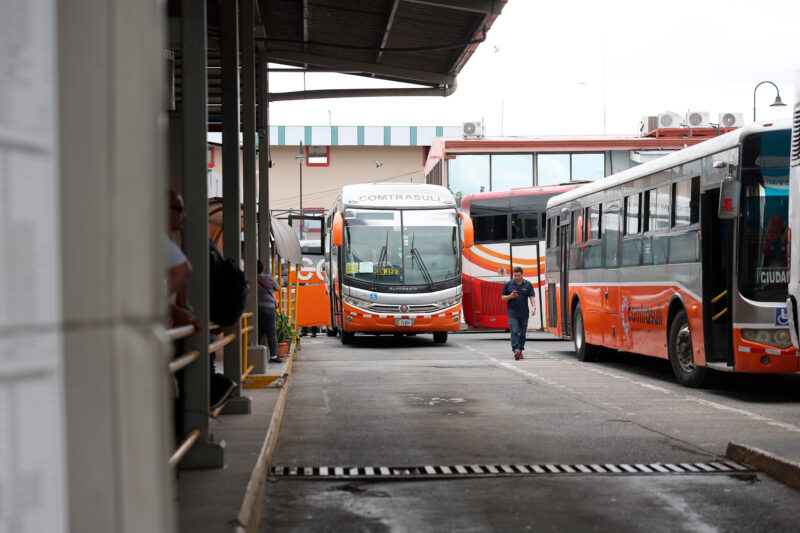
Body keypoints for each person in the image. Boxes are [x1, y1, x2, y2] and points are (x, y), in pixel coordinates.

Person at [501, 266, 536, 360]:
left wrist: (534, 307)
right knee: (515, 330)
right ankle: (516, 349)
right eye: (515, 275)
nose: (517, 277)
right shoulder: (508, 284)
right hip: (512, 313)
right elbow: (503, 298)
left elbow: (532, 296)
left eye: (519, 275)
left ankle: (520, 350)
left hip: (524, 313)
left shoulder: (527, 284)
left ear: (522, 275)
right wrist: (510, 296)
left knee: (523, 333)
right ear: (513, 275)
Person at [257, 260, 281, 363]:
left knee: (257, 333)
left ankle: (256, 355)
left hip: (255, 309)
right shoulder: (269, 278)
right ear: (263, 268)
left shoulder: (249, 278)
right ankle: (273, 356)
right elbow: (277, 288)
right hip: (269, 309)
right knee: (271, 333)